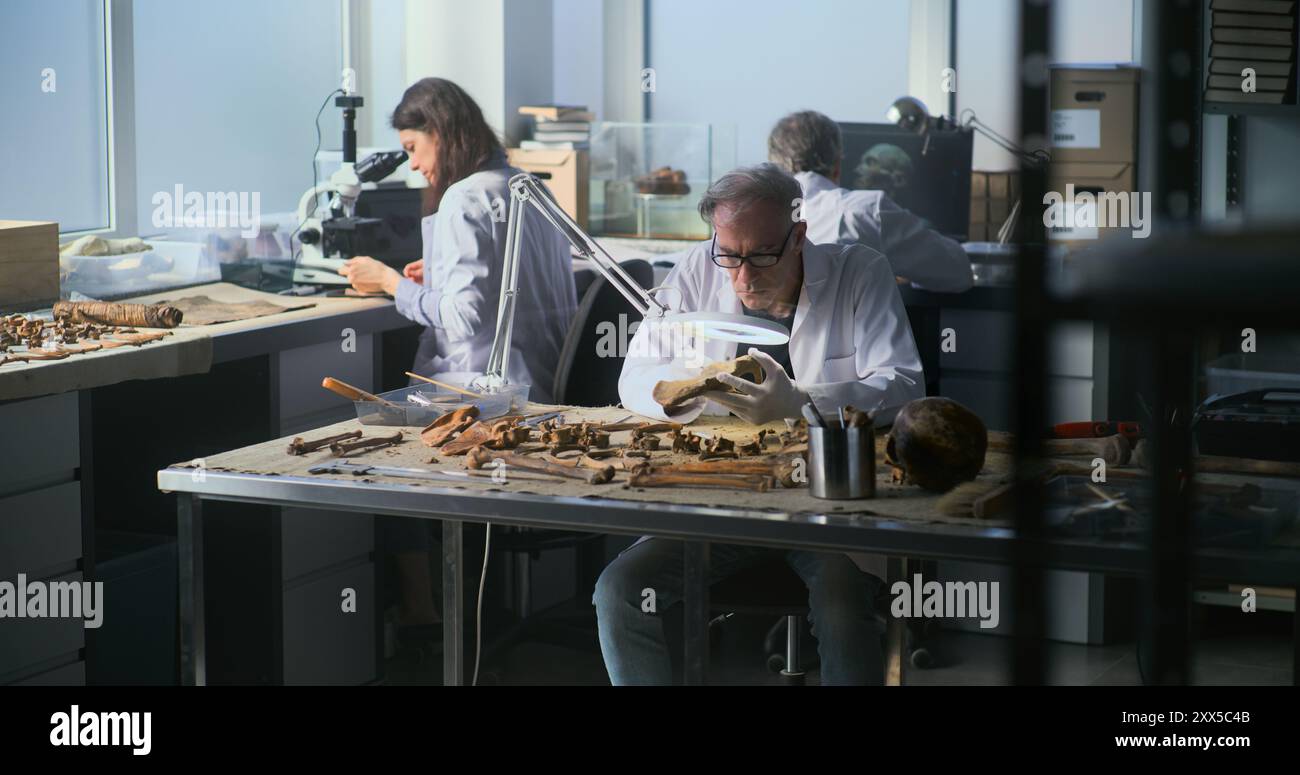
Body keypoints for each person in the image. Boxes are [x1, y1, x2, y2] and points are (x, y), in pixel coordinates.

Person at [594, 164, 925, 685]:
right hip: (720, 493)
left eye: (762, 255)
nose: (744, 276)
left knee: (841, 604)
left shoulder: (859, 272)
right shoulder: (696, 270)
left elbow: (904, 384)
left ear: (798, 236)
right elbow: (634, 375)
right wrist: (691, 393)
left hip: (822, 501)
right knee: (619, 592)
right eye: (729, 255)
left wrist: (800, 402)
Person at [338, 77, 577, 401]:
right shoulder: (532, 185)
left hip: (491, 393)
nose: (413, 164)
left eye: (412, 148)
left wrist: (390, 283)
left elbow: (464, 319)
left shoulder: (464, 197)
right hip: (544, 384)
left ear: (438, 133)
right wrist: (440, 273)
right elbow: (518, 278)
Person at [767, 110, 973, 293]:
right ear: (838, 164)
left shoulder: (759, 217)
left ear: (775, 164)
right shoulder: (866, 211)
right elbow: (958, 272)